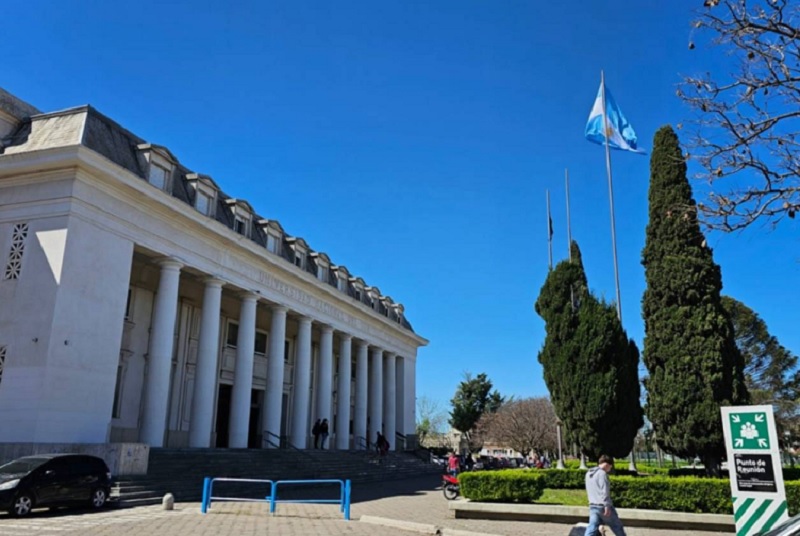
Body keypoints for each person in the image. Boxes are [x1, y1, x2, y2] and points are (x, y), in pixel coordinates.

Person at [585, 455, 626, 536]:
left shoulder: (588, 473)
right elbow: (605, 491)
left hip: (593, 505)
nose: (609, 470)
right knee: (617, 526)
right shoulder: (602, 474)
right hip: (603, 506)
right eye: (610, 467)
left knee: (592, 528)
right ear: (607, 464)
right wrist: (607, 506)